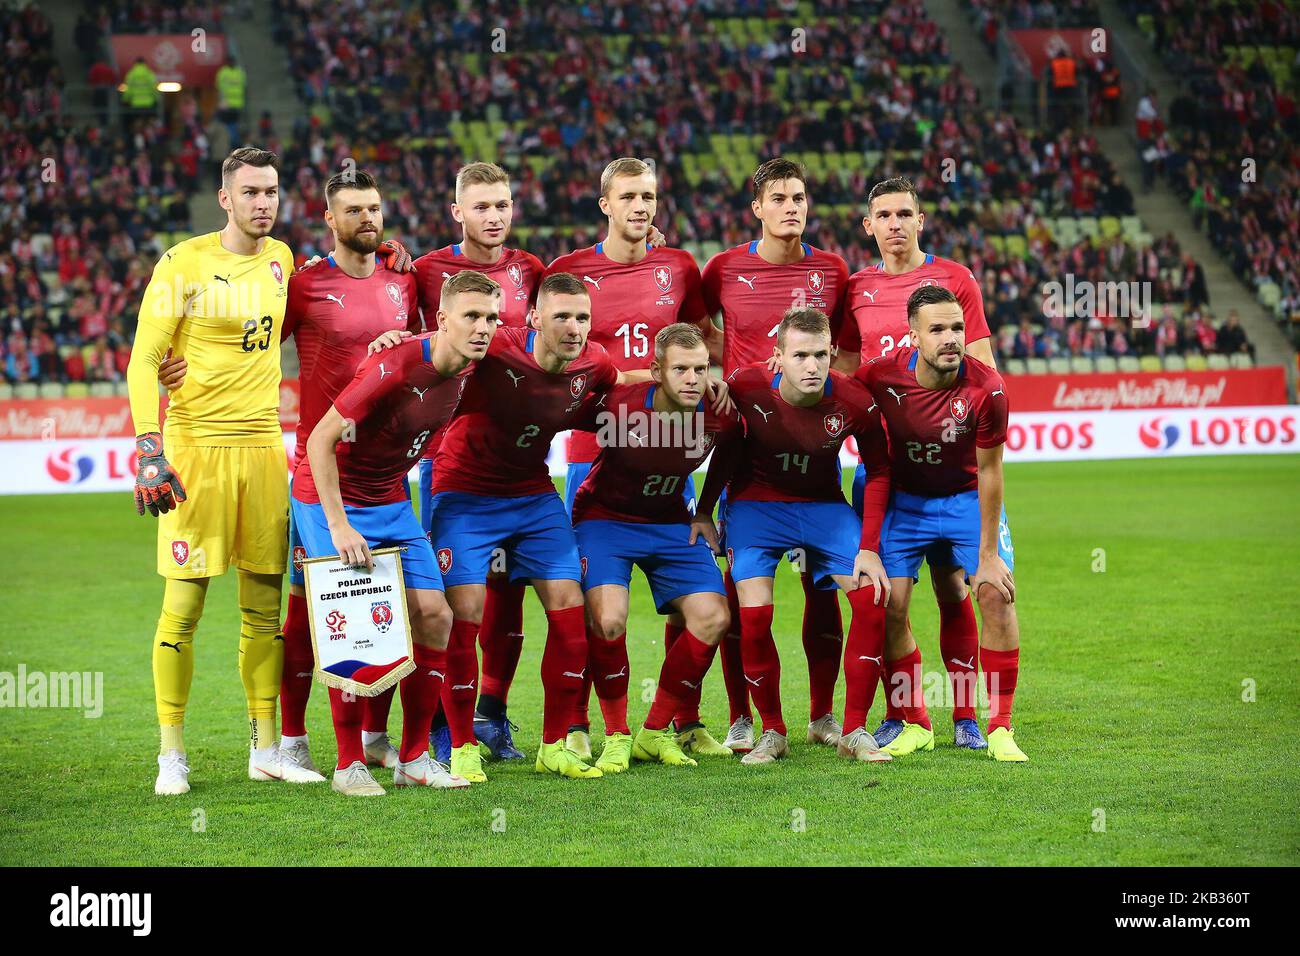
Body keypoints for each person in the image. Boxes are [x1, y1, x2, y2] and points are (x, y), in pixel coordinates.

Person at [154, 170, 416, 777]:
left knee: (385, 603)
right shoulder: (300, 281)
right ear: (329, 218)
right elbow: (250, 341)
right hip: (306, 471)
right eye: (353, 209)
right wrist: (180, 363)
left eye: (374, 208)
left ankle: (361, 739)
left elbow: (432, 339)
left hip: (378, 471)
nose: (367, 218)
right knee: (301, 609)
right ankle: (273, 743)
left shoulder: (398, 276)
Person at [127, 146, 308, 795]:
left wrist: (386, 258)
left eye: (272, 191)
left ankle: (265, 747)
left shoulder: (283, 258)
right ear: (225, 198)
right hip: (195, 452)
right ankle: (171, 754)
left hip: (262, 450)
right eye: (251, 192)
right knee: (183, 607)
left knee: (264, 609)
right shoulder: (183, 263)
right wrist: (149, 446)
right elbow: (144, 358)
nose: (264, 203)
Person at [292, 271, 502, 794]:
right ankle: (348, 765)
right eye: (472, 316)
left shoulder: (474, 364)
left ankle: (413, 758)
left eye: (491, 318)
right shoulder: (397, 363)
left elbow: (547, 343)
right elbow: (319, 441)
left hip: (389, 500)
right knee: (353, 624)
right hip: (329, 498)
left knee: (435, 614)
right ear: (443, 319)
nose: (483, 327)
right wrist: (338, 526)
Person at [545, 156, 722, 761]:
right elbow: (554, 353)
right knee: (593, 606)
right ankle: (581, 724)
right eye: (628, 197)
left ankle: (677, 722)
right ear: (605, 204)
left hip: (669, 451)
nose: (640, 207)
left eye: (648, 196)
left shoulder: (679, 266)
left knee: (686, 601)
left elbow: (699, 344)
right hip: (592, 450)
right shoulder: (569, 271)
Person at [834, 177, 1006, 752]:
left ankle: (967, 718)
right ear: (869, 225)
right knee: (889, 598)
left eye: (905, 213)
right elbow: (849, 374)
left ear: (921, 220)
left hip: (950, 472)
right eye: (883, 215)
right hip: (883, 471)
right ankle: (903, 715)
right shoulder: (856, 288)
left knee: (954, 589)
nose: (895, 224)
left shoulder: (956, 279)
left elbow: (982, 369)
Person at [700, 157, 853, 755]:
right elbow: (695, 325)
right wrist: (740, 377)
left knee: (822, 588)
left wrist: (813, 390)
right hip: (745, 451)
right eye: (779, 198)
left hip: (813, 450)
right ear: (757, 208)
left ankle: (822, 715)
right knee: (742, 591)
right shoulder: (723, 268)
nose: (791, 208)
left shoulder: (832, 270)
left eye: (799, 198)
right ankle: (744, 716)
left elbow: (845, 351)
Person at [695, 308, 894, 765]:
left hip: (823, 507)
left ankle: (854, 731)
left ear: (833, 354)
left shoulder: (854, 400)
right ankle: (772, 730)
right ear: (777, 357)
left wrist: (868, 548)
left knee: (871, 598)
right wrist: (704, 510)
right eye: (800, 355)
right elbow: (726, 449)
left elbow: (880, 470)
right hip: (757, 506)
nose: (812, 366)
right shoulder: (745, 386)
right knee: (754, 613)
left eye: (821, 355)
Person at [855, 285, 1027, 762]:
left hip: (965, 499)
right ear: (912, 336)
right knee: (887, 602)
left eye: (957, 328)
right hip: (905, 501)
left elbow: (991, 470)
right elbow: (832, 391)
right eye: (937, 329)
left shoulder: (988, 388)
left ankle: (999, 727)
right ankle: (916, 722)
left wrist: (987, 556)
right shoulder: (880, 376)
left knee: (994, 593)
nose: (950, 338)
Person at [410, 161, 545, 763]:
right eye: (481, 206)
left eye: (502, 205)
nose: (494, 216)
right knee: (451, 599)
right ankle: (443, 722)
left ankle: (491, 714)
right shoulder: (423, 271)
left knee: (507, 596)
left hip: (518, 458)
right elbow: (398, 331)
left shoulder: (531, 270)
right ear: (457, 212)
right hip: (449, 457)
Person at [570, 323, 739, 771]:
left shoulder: (719, 413)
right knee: (608, 619)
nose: (693, 379)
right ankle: (613, 734)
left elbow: (729, 452)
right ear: (656, 371)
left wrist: (705, 510)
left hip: (669, 521)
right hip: (605, 519)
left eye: (701, 368)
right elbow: (557, 410)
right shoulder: (619, 405)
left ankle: (654, 731)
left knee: (714, 616)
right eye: (680, 369)